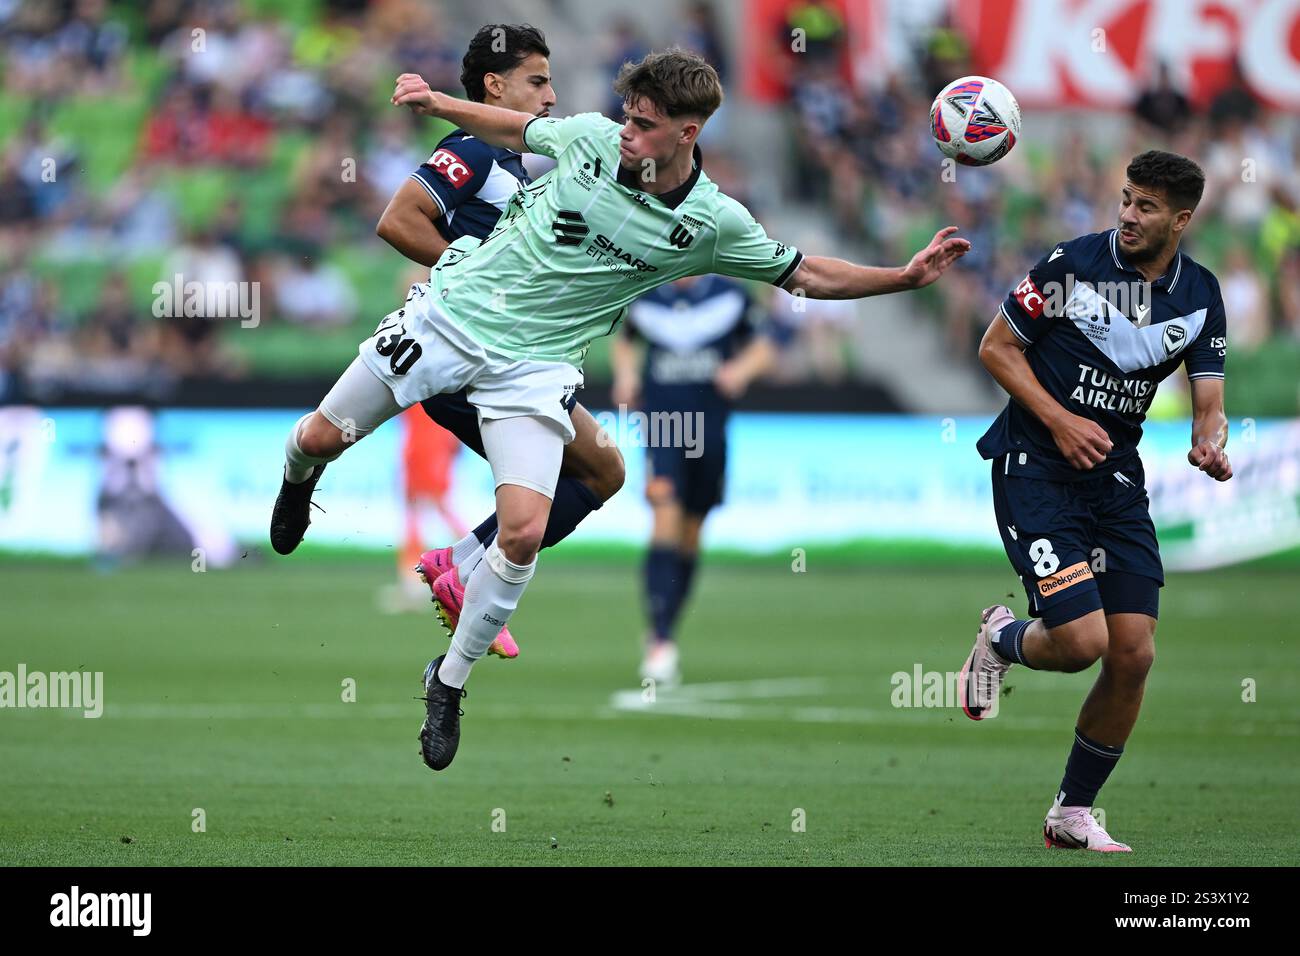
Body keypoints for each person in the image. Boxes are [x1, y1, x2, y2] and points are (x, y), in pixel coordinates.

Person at [272, 49, 969, 772]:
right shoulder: (588, 140)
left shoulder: (712, 223)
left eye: (643, 125)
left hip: (534, 370)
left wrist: (902, 276)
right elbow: (513, 127)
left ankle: (447, 682)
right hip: (449, 317)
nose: (627, 133)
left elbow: (805, 273)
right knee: (321, 437)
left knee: (522, 533)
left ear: (687, 132)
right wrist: (439, 105)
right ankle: (298, 483)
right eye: (628, 117)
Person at [960, 151, 1232, 851]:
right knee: (1084, 643)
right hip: (1035, 466)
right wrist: (1058, 419)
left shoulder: (1200, 295)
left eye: (1146, 207)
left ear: (1181, 218)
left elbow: (1209, 403)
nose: (1128, 216)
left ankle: (1070, 813)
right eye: (1125, 200)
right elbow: (994, 348)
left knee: (1133, 654)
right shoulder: (1072, 265)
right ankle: (1001, 639)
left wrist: (1210, 443)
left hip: (1113, 479)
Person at [372, 23, 626, 655]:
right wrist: (474, 281)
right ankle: (465, 574)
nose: (549, 95)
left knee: (603, 470)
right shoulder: (473, 150)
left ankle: (459, 564)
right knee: (585, 479)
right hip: (473, 359)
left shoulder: (513, 166)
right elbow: (398, 220)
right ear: (495, 85)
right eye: (537, 81)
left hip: (506, 358)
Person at [612, 274, 780, 685]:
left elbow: (765, 348)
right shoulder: (648, 291)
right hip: (663, 426)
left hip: (710, 430)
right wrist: (627, 375)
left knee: (691, 533)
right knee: (664, 513)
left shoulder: (729, 296)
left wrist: (741, 370)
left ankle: (664, 626)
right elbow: (623, 339)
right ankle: (661, 641)